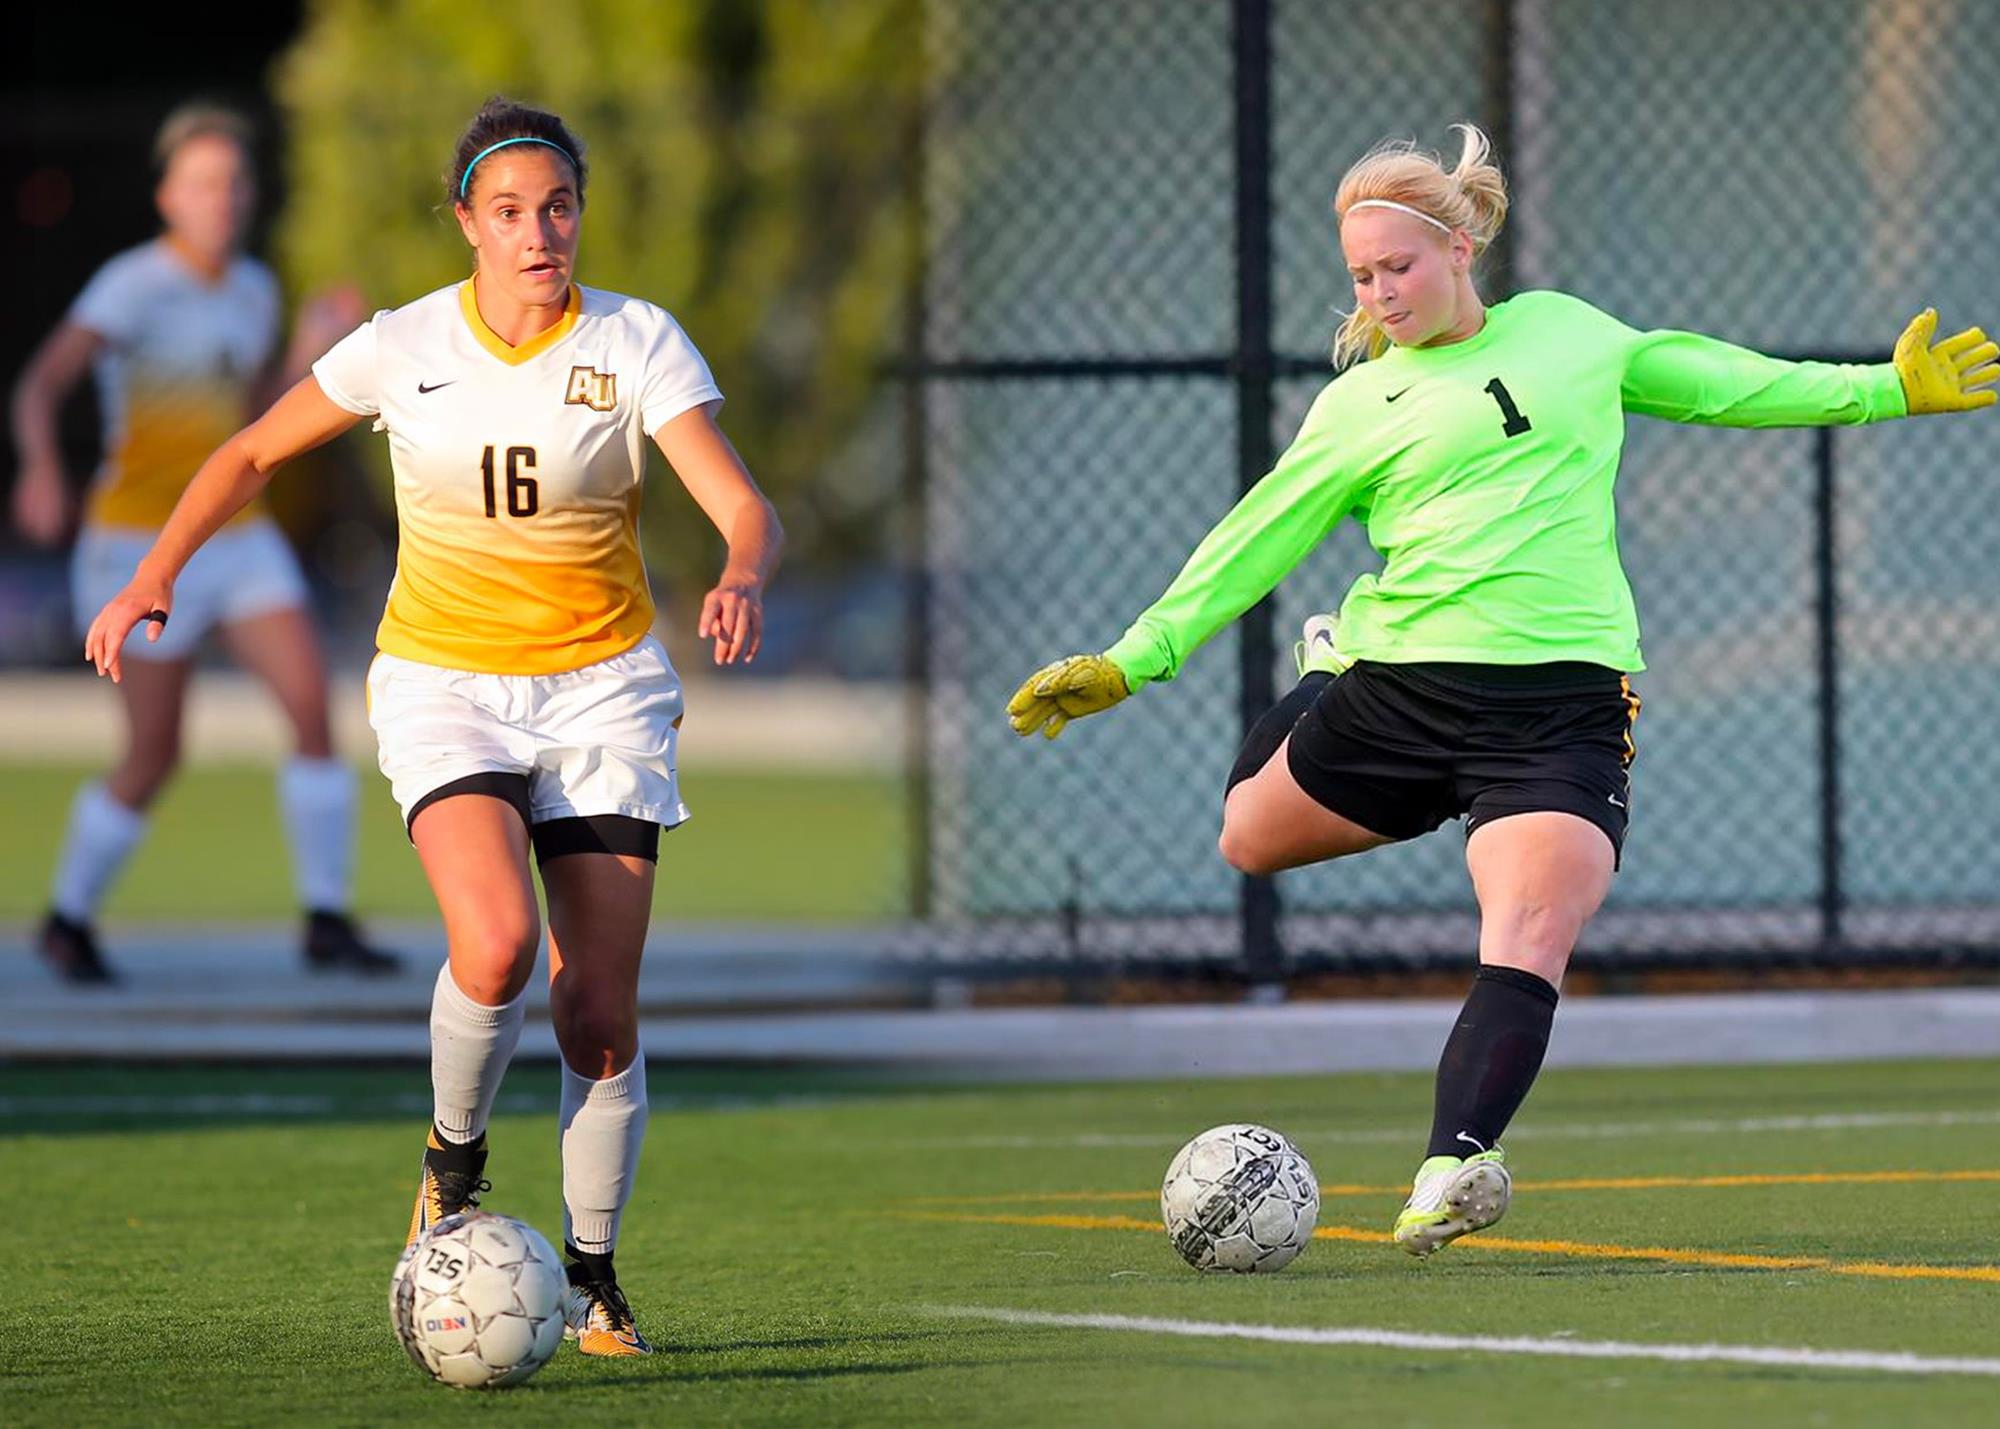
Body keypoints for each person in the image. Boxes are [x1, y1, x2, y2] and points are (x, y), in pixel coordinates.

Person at [1006, 124, 1994, 1259]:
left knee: (1529, 930)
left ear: (1461, 243)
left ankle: (1448, 1166)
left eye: (1398, 267)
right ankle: (1333, 663)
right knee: (1245, 838)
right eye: (1361, 276)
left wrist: (1884, 392)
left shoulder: (1568, 334)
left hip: (1561, 703)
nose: (1379, 293)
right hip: (1404, 692)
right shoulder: (1355, 410)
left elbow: (1722, 384)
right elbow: (1250, 542)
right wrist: (1134, 657)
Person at [84, 96, 782, 1356]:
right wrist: (154, 570)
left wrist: (739, 570)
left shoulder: (635, 343)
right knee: (498, 942)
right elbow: (247, 453)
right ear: (466, 223)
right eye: (508, 211)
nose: (538, 233)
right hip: (444, 680)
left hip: (603, 690)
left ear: (579, 215)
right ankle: (452, 1163)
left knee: (599, 1015)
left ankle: (593, 1275)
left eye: (557, 207)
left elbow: (740, 503)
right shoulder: (402, 344)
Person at [10, 101, 397, 984]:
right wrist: (40, 465)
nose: (224, 199)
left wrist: (307, 345)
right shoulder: (132, 284)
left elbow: (256, 414)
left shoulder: (255, 288)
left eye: (235, 182)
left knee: (310, 706)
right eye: (205, 183)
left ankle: (326, 919)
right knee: (155, 751)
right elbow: (39, 386)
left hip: (237, 535)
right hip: (138, 544)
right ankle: (67, 918)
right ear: (169, 197)